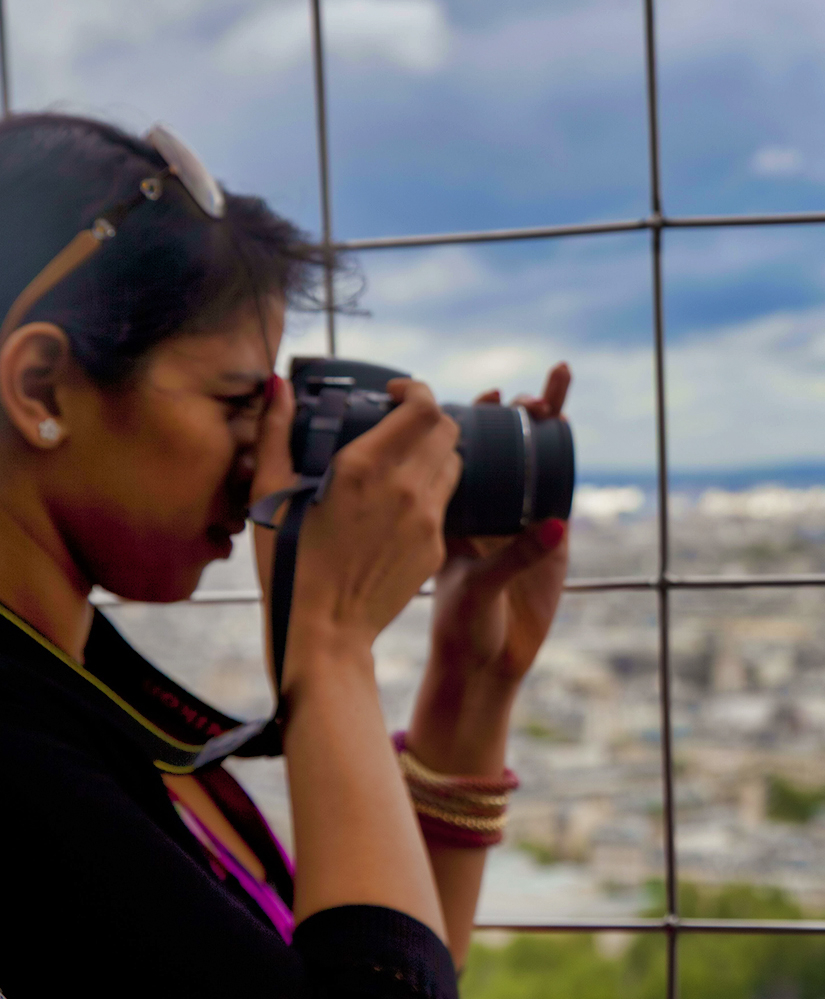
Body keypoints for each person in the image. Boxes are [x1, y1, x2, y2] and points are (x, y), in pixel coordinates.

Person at [0, 113, 571, 997]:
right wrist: (330, 642)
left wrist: (470, 680)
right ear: (41, 387)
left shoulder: (79, 684)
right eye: (237, 401)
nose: (270, 450)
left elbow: (384, 965)